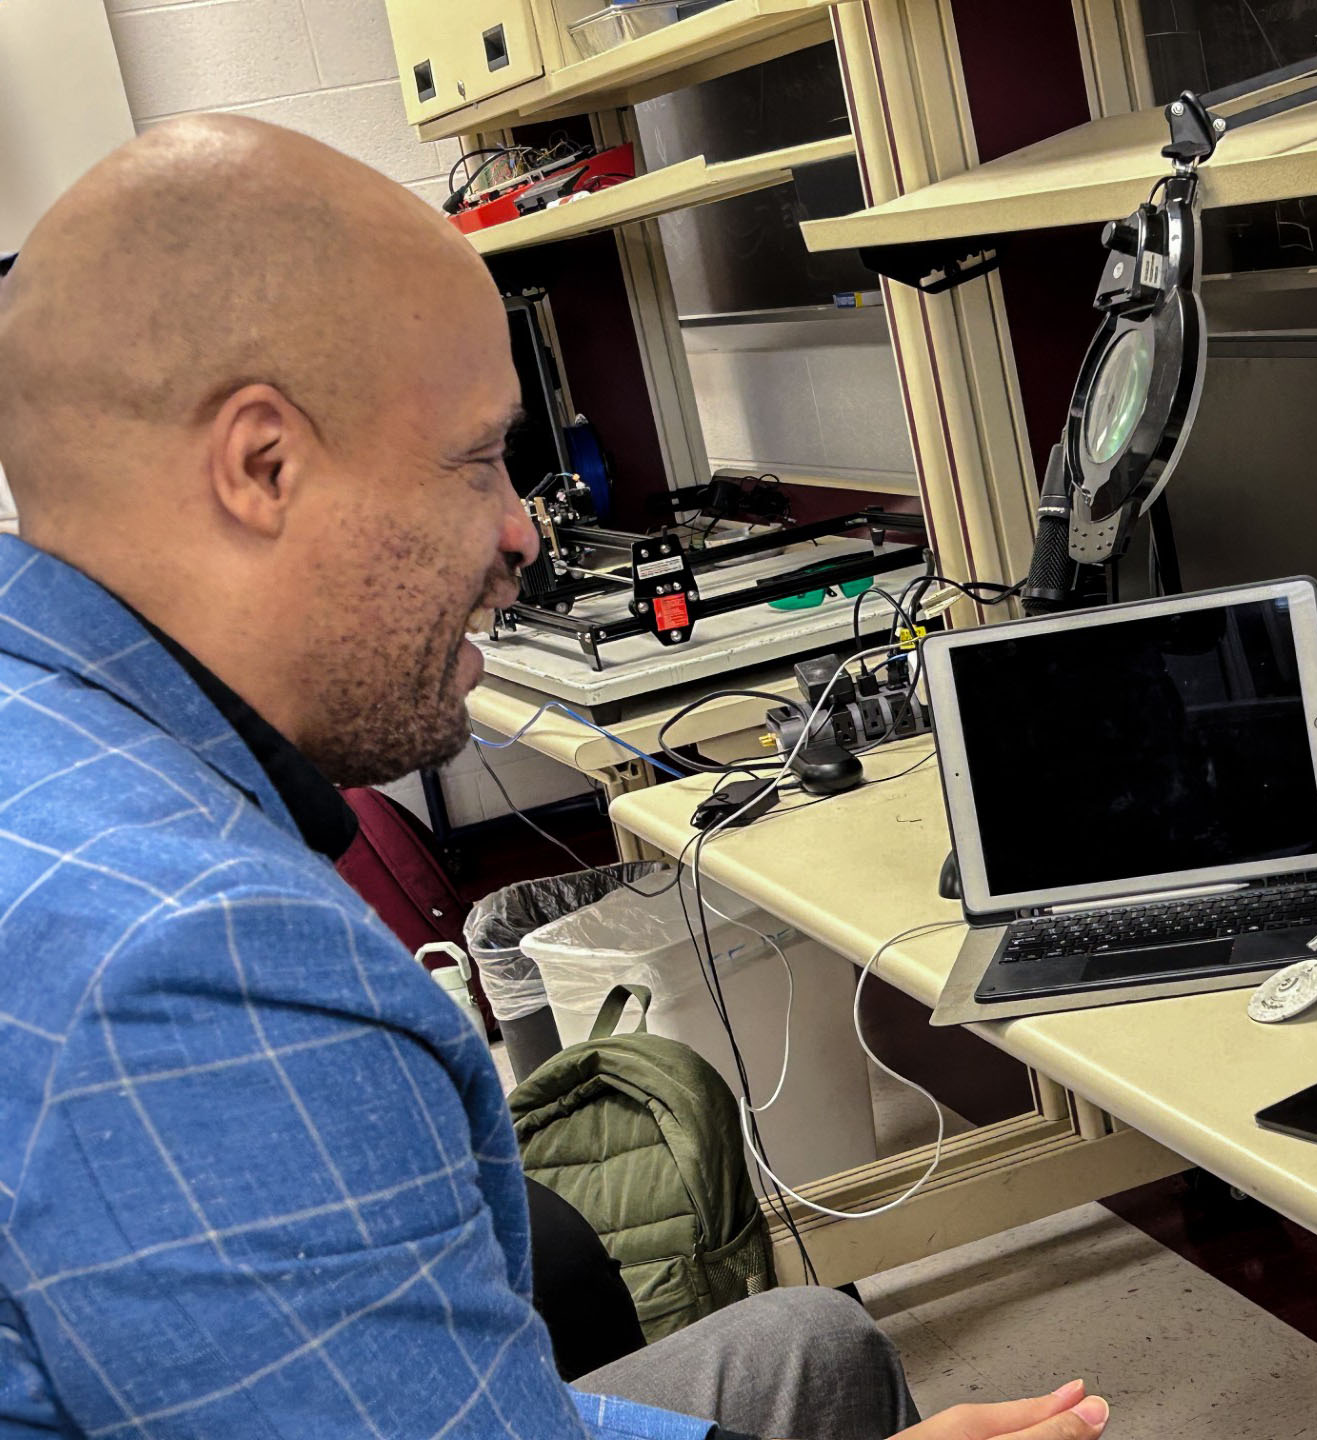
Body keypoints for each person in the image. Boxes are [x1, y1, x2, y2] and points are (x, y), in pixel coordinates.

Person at [0, 118, 1110, 1440]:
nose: (522, 528)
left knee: (812, 1349)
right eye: (476, 460)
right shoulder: (198, 966)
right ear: (263, 466)